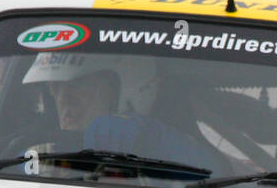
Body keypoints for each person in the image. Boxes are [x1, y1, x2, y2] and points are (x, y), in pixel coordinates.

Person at [20, 51, 212, 169]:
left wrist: (150, 140)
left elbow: (215, 176)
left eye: (78, 84)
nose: (63, 99)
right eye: (56, 86)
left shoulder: (165, 144)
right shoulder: (33, 146)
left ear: (126, 85)